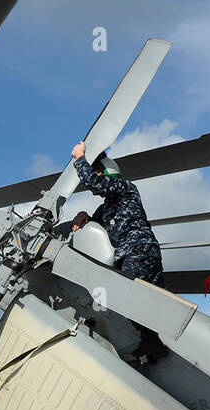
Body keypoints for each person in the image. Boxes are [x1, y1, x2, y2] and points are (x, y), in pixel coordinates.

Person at [70, 141, 167, 363]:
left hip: (138, 251)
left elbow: (94, 182)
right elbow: (94, 225)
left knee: (132, 300)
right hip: (137, 253)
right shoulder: (106, 208)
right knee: (140, 303)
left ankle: (153, 344)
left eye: (98, 172)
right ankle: (152, 345)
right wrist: (84, 215)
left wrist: (80, 159)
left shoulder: (126, 189)